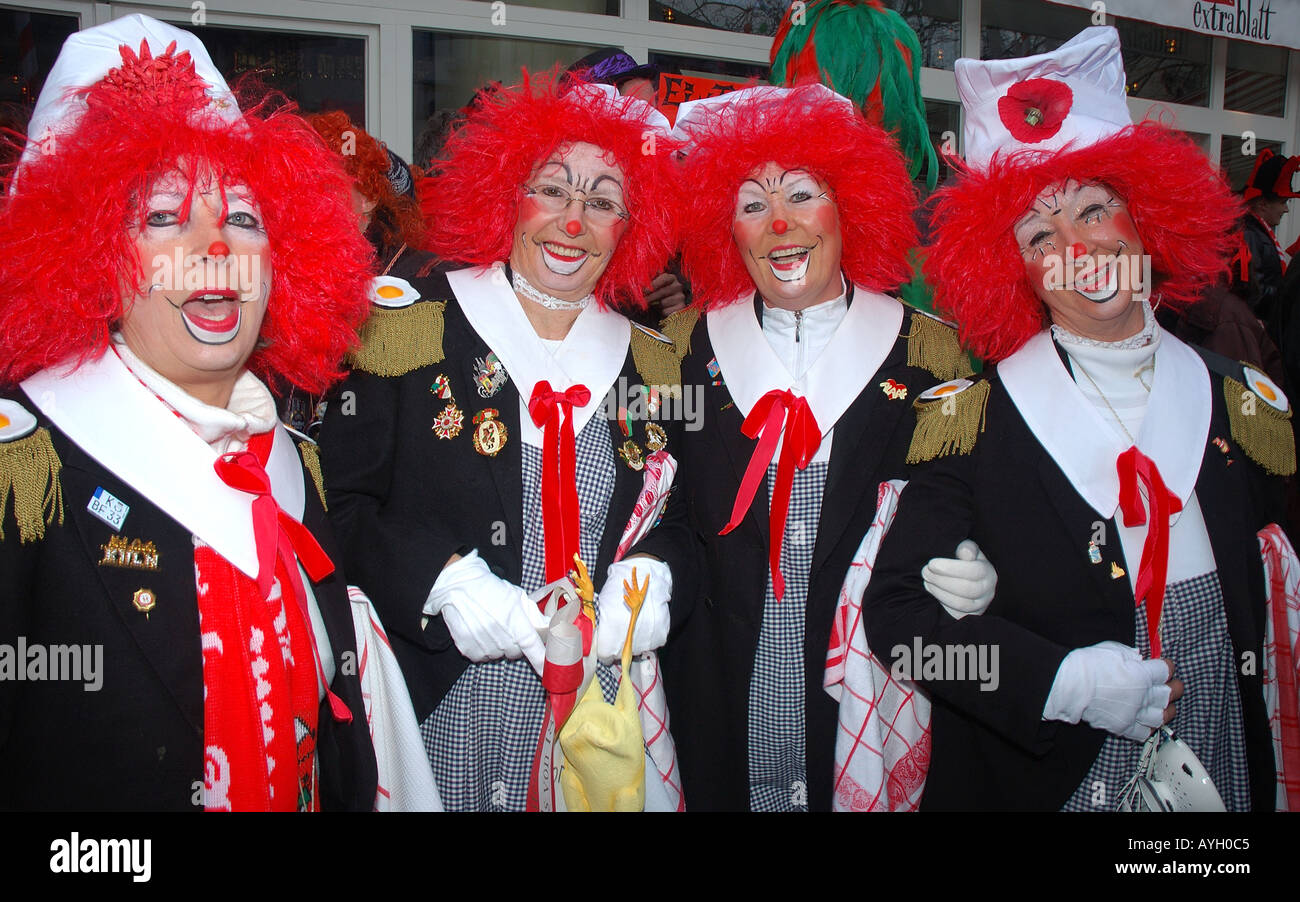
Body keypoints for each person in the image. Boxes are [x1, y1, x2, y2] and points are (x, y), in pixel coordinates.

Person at [864, 26, 1296, 811]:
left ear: (1144, 220)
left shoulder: (1244, 402)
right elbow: (903, 629)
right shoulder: (971, 421)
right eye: (1038, 234)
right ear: (1014, 268)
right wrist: (1055, 681)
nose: (1075, 248)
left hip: (1221, 767)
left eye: (1095, 210)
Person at [0, 14, 378, 810]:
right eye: (163, 217)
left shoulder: (290, 455)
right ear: (91, 254)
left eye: (243, 216)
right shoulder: (21, 471)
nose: (217, 248)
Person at [317, 72, 696, 811]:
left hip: (601, 713)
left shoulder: (654, 361)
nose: (573, 221)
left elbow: (681, 518)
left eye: (603, 202)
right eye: (551, 190)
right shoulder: (408, 326)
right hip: (441, 706)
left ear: (631, 226)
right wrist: (442, 582)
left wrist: (657, 580)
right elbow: (338, 505)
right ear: (506, 194)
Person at [660, 84, 994, 811]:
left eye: (803, 194)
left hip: (868, 692)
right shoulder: (677, 353)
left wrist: (978, 560)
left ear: (849, 207)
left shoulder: (932, 355)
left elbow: (971, 496)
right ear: (728, 231)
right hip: (713, 689)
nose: (780, 224)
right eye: (752, 205)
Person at [1234, 150, 1297, 334]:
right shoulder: (1252, 235)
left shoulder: (1257, 232)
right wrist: (1286, 294)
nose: (1286, 209)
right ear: (1262, 204)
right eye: (1282, 202)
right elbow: (1253, 291)